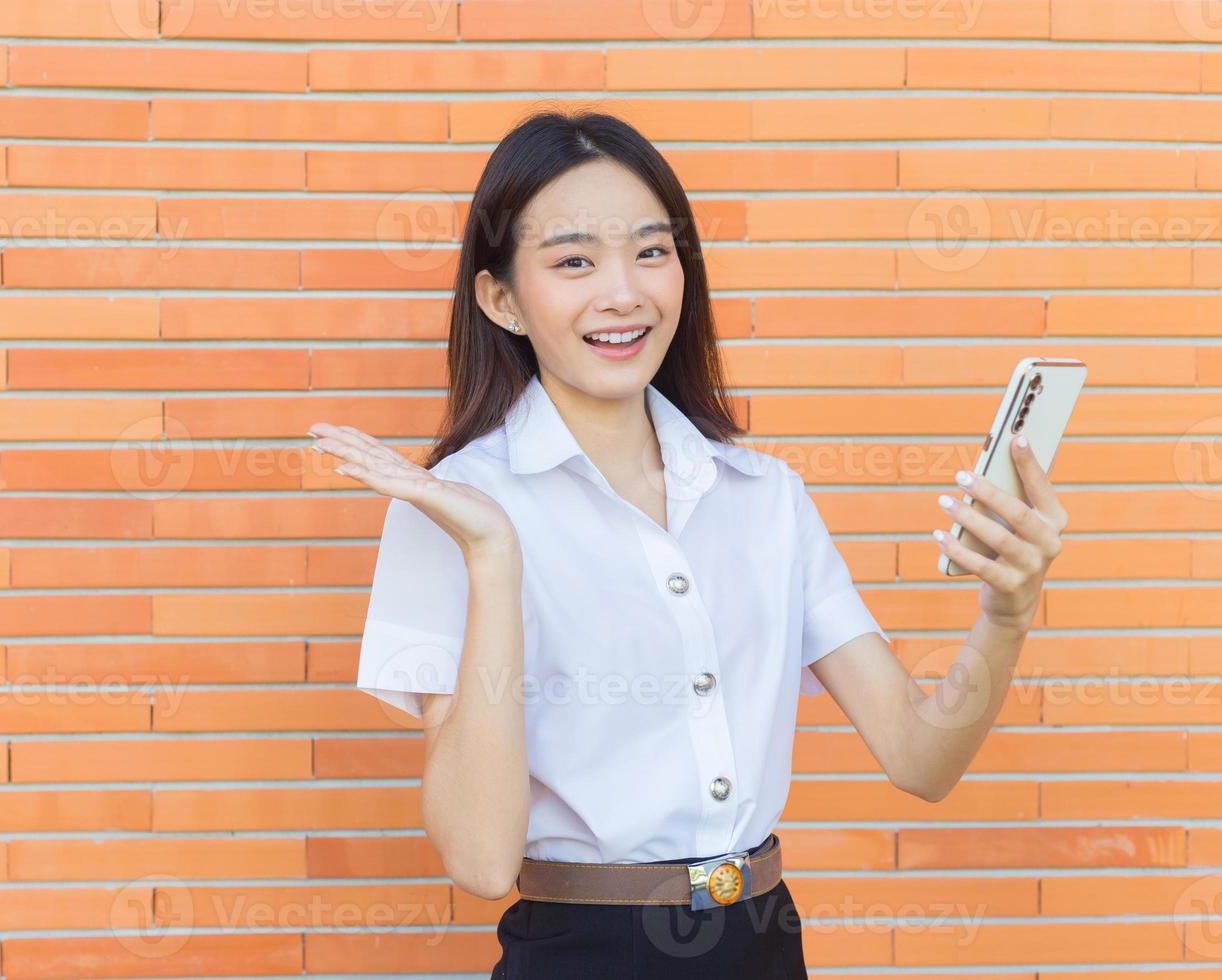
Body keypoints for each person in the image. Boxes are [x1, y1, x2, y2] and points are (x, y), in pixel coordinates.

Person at [308, 111, 1065, 978]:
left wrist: (1007, 610)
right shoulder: (449, 509)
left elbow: (921, 758)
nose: (624, 291)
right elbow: (480, 861)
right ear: (502, 298)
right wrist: (494, 557)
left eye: (652, 250)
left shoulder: (764, 500)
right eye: (573, 261)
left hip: (764, 944)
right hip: (580, 955)